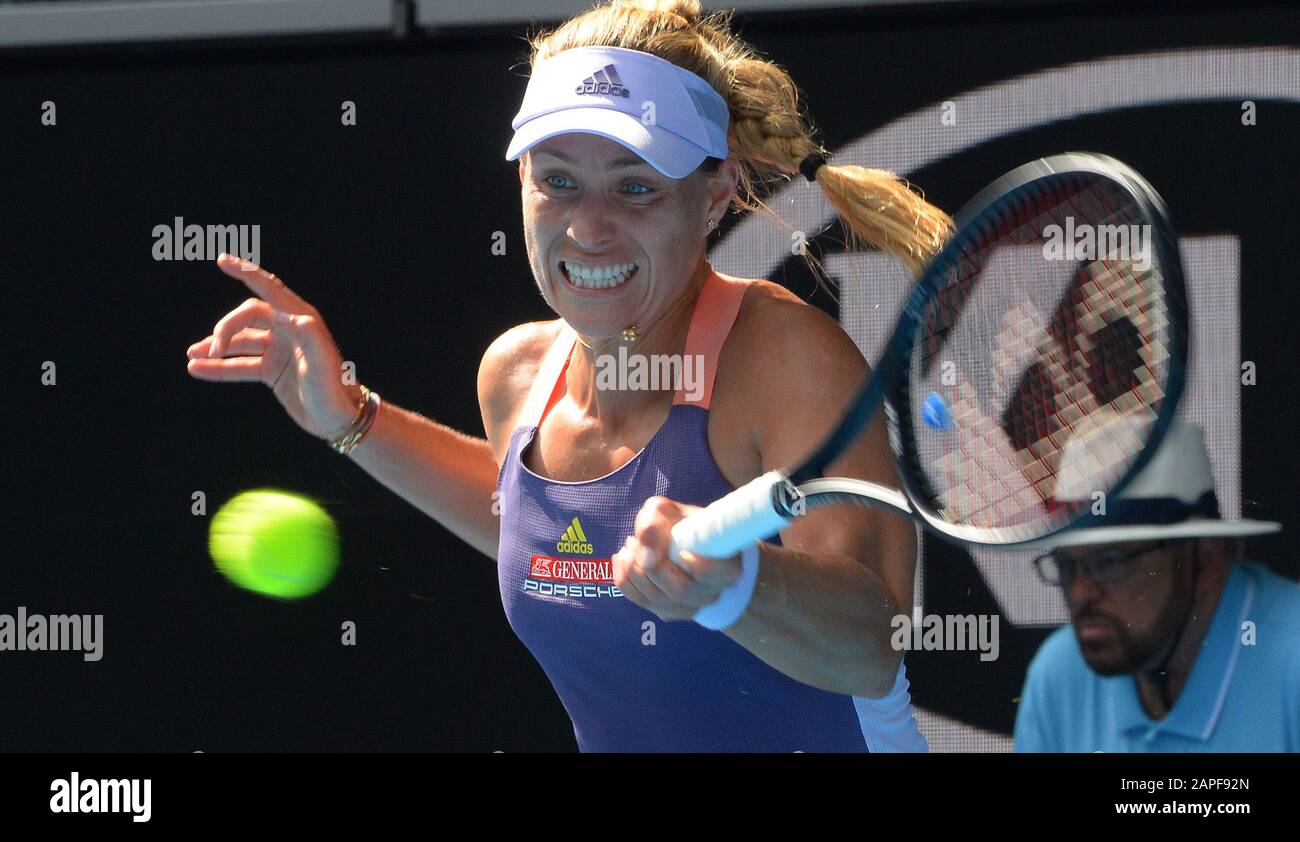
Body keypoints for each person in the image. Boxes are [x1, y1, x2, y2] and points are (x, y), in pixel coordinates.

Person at [186, 0, 953, 751]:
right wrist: (352, 418)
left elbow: (874, 640)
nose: (589, 228)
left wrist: (739, 585)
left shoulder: (786, 359)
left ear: (715, 195)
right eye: (556, 181)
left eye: (635, 186)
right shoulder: (515, 375)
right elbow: (542, 533)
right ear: (522, 181)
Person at [1014, 419, 1296, 752]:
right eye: (1065, 565)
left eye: (1109, 563)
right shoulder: (1059, 674)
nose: (1079, 593)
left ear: (1203, 560)